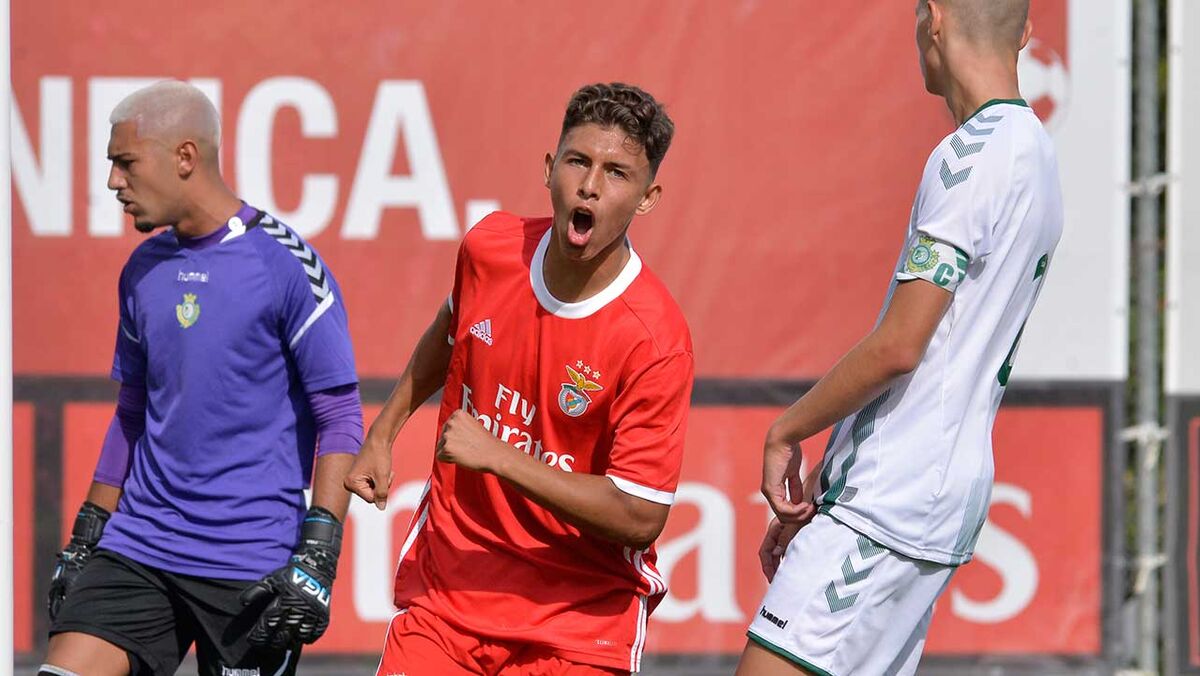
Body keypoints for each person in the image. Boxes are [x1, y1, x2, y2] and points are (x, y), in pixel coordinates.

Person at [738, 1, 1062, 674]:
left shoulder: (968, 158)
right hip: (926, 497)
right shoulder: (1036, 152)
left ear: (934, 21)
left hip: (890, 501)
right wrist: (829, 490)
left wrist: (785, 432)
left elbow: (900, 346)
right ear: (1026, 32)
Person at [344, 82, 694, 675]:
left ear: (647, 197)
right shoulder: (491, 248)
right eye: (579, 161)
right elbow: (449, 331)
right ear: (550, 167)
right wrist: (383, 432)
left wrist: (500, 456)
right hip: (450, 591)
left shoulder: (656, 339)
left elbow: (639, 513)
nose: (590, 185)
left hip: (577, 623)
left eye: (617, 173)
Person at [38, 80, 363, 676]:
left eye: (125, 162)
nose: (114, 182)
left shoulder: (287, 265)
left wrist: (319, 553)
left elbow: (340, 417)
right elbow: (132, 414)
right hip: (139, 548)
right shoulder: (141, 270)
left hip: (250, 568)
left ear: (185, 157)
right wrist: (88, 534)